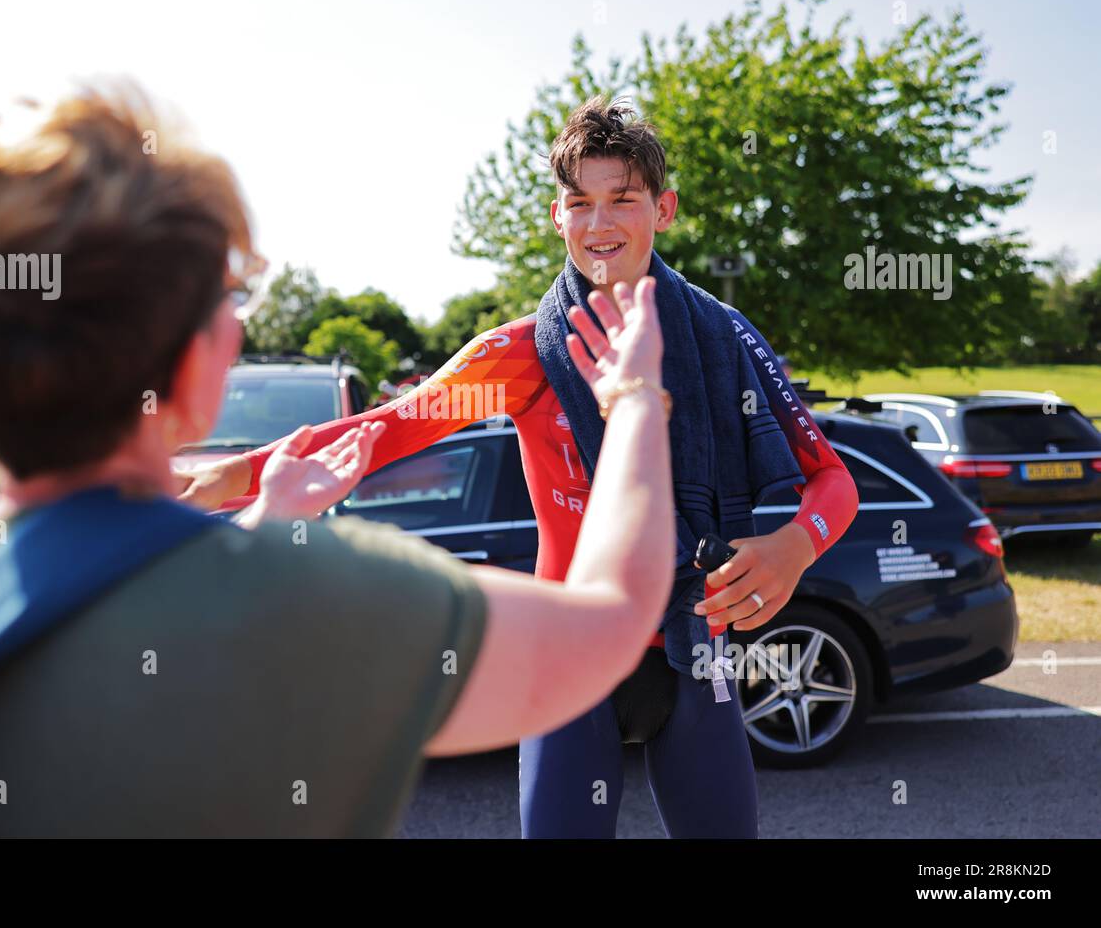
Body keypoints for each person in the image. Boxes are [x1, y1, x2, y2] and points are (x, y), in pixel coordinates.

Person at [0, 85, 679, 837]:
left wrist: (267, 522)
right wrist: (634, 397)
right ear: (201, 354)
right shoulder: (324, 594)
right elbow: (608, 628)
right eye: (225, 301)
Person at [182, 98, 861, 838]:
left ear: (663, 209)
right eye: (580, 203)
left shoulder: (724, 336)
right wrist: (232, 475)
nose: (600, 224)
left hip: (696, 646)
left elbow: (834, 479)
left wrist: (797, 547)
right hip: (566, 657)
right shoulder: (522, 353)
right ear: (556, 215)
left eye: (622, 201)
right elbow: (383, 430)